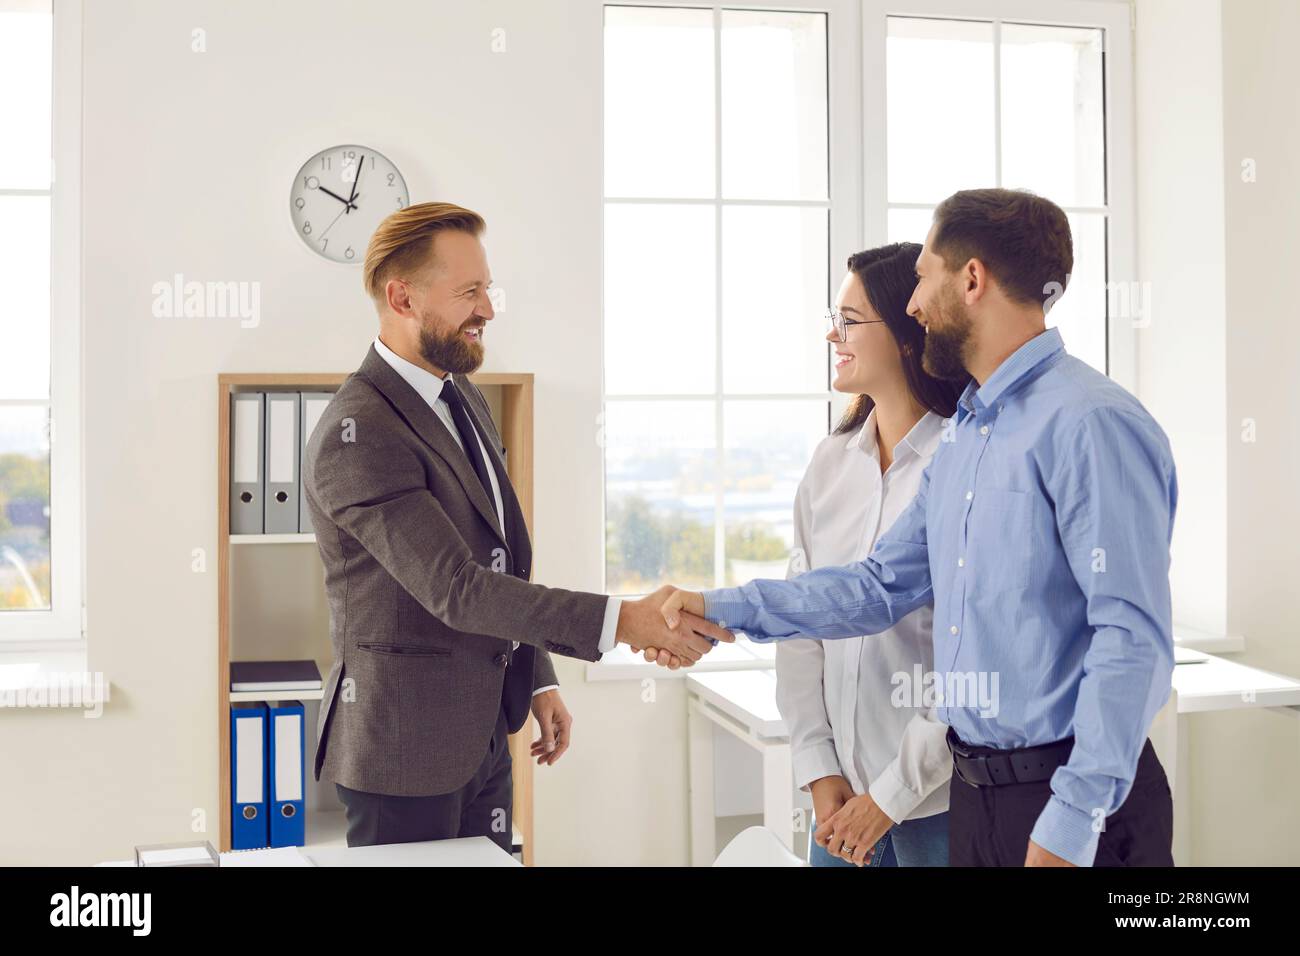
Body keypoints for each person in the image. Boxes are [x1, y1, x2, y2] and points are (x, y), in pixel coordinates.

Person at [655, 188, 1178, 868]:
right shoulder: (970, 435)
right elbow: (875, 588)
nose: (912, 302)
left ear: (971, 279)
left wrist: (1072, 822)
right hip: (979, 799)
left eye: (926, 273)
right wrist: (720, 607)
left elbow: (1132, 640)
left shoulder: (1090, 423)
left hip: (1070, 806)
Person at [302, 201, 730, 851]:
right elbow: (458, 588)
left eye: (488, 288)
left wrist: (536, 676)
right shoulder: (359, 434)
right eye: (469, 291)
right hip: (404, 757)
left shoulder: (460, 393)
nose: (489, 309)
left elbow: (500, 559)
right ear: (402, 297)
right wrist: (625, 620)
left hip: (482, 741)